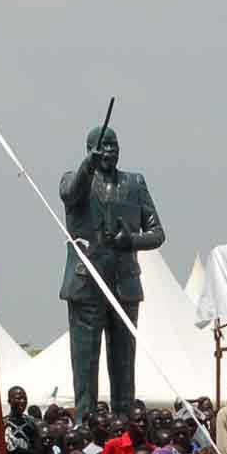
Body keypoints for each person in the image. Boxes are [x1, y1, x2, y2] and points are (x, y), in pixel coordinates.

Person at [59, 123, 165, 419]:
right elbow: (70, 195)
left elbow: (157, 233)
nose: (109, 151)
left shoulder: (135, 183)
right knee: (85, 364)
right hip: (86, 284)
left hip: (124, 284)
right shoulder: (74, 180)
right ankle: (85, 424)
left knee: (123, 364)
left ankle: (123, 423)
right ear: (90, 150)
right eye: (102, 146)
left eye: (113, 145)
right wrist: (86, 168)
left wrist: (132, 240)